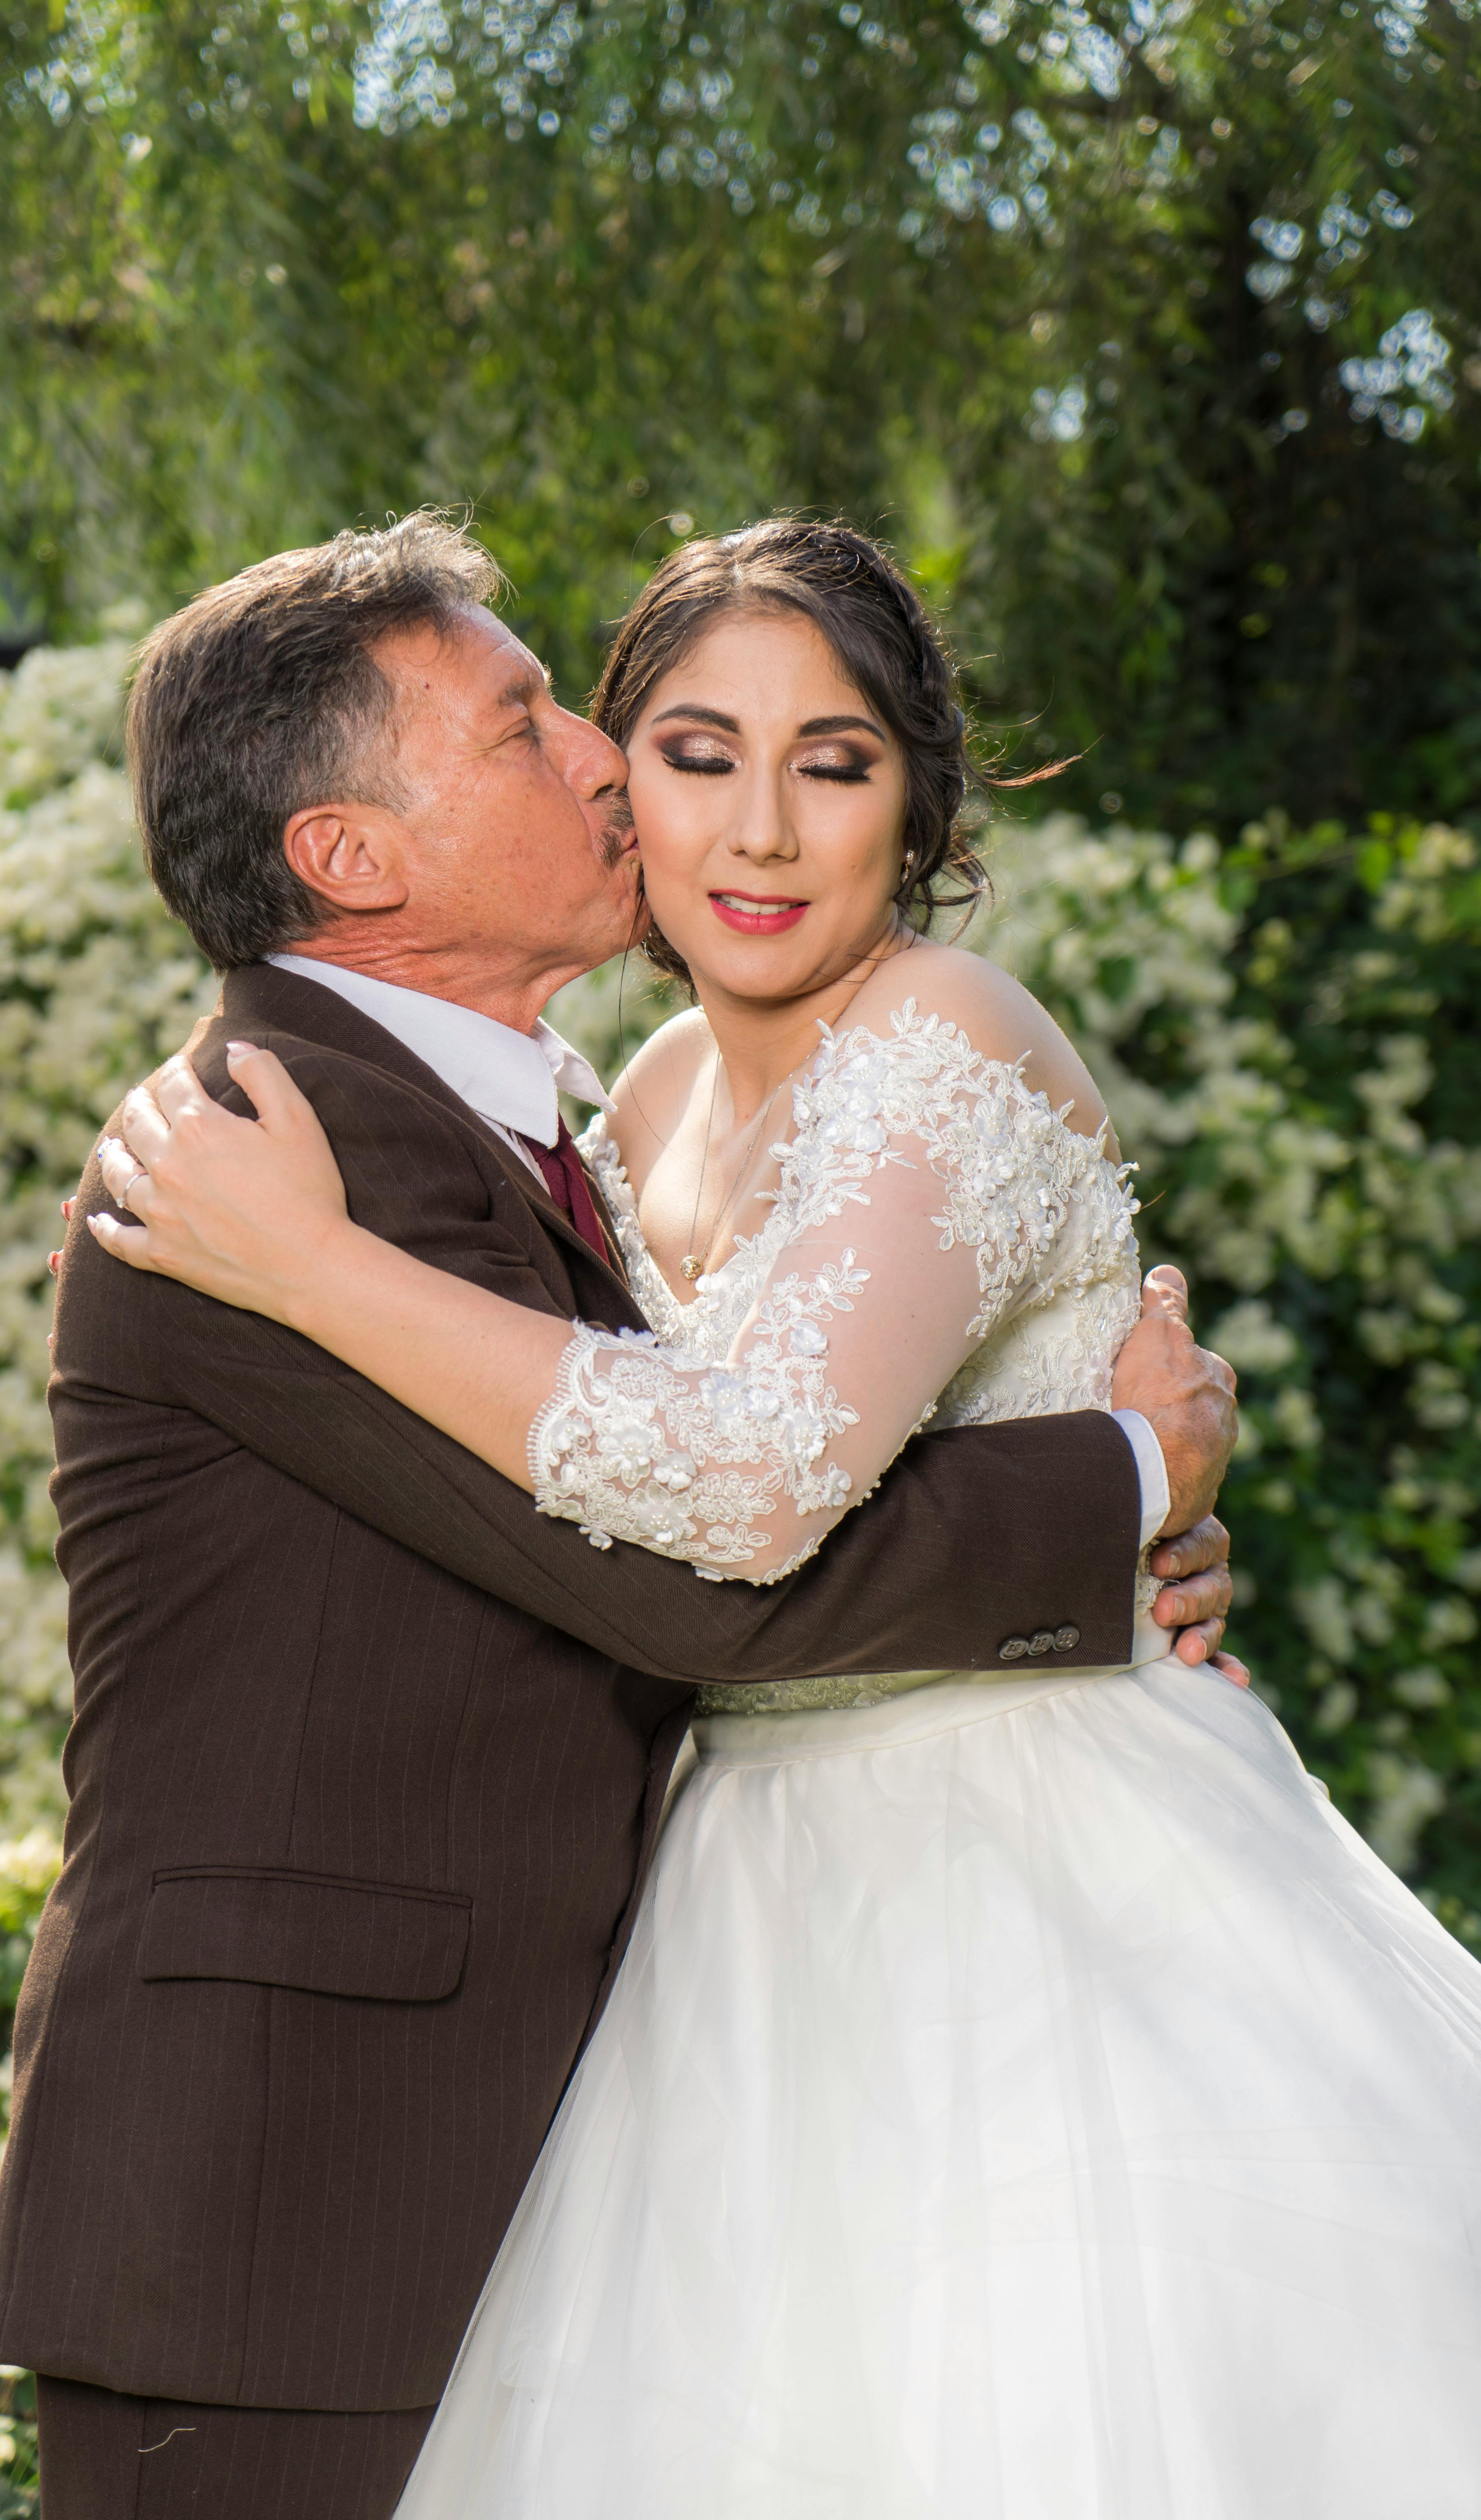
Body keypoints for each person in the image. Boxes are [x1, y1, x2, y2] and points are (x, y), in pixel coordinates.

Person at [94, 520, 1481, 2516]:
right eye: (688, 750)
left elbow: (747, 1482)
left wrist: (315, 1270)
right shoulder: (628, 1099)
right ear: (618, 784)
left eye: (832, 764)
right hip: (727, 1895)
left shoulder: (945, 1037)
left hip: (1027, 1870)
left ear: (912, 803)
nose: (759, 829)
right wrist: (1116, 1503)